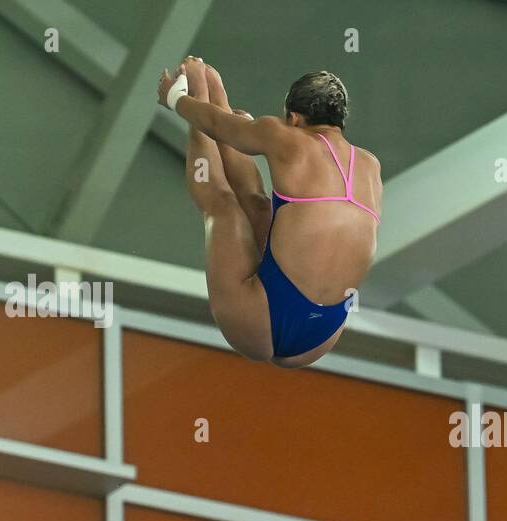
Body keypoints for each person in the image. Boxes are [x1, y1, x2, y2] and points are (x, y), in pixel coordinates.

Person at [158, 59, 381, 368]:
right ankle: (215, 94)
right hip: (322, 334)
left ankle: (203, 90)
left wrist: (177, 98)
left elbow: (219, 127)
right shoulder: (370, 166)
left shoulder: (282, 134)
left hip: (260, 320)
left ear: (293, 117)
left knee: (224, 208)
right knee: (261, 209)